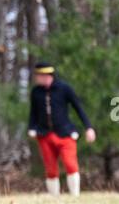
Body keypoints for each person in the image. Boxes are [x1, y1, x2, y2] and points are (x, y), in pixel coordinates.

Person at [28, 60, 96, 195]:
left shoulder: (64, 88)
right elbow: (33, 112)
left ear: (46, 75)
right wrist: (32, 128)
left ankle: (75, 195)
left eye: (38, 75)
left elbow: (78, 108)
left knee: (70, 164)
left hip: (65, 133)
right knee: (50, 167)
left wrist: (88, 127)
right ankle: (54, 197)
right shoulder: (36, 92)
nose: (36, 78)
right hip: (44, 134)